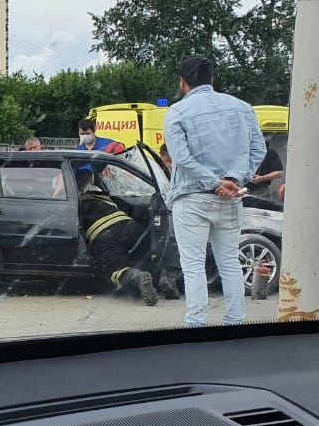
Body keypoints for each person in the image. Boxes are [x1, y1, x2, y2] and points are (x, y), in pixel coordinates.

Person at [163, 57, 266, 327]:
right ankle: (235, 322)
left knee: (193, 264)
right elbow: (259, 151)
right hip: (231, 199)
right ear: (212, 80)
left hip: (192, 197)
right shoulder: (243, 108)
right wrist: (232, 179)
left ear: (182, 82)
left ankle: (196, 326)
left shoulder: (177, 112)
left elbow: (181, 158)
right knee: (230, 262)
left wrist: (213, 182)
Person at [75, 168, 179, 306]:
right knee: (142, 256)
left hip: (103, 236)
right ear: (91, 180)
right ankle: (162, 275)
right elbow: (127, 208)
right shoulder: (102, 194)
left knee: (114, 268)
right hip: (129, 227)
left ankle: (136, 276)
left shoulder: (76, 200)